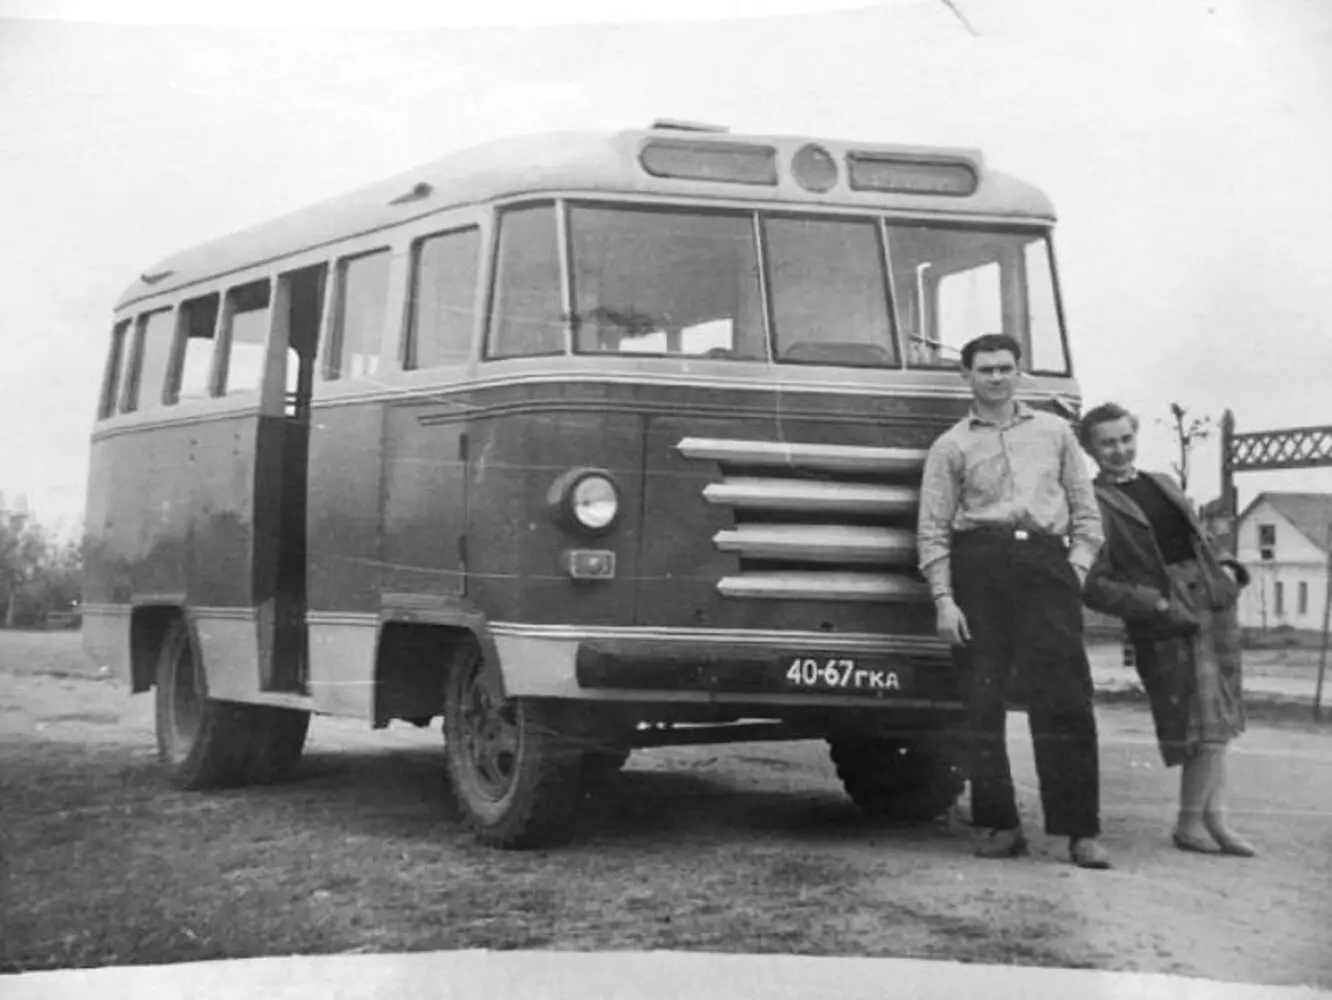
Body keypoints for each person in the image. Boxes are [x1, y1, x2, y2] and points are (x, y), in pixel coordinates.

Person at [917, 334, 1110, 869]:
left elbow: (1086, 514)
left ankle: (1081, 832)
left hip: (1048, 567)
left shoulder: (1056, 434)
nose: (996, 378)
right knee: (982, 700)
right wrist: (944, 600)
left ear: (1020, 373)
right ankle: (999, 824)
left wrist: (1072, 571)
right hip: (980, 569)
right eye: (985, 370)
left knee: (1066, 700)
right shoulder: (950, 446)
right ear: (967, 376)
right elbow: (932, 532)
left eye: (1005, 368)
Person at [1078, 402, 1256, 857]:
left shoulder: (1162, 482)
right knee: (1201, 725)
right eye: (1107, 443)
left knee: (1220, 718)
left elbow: (1200, 540)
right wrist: (1154, 604)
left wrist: (1230, 572)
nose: (1119, 450)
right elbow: (1094, 584)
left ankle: (1215, 821)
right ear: (1090, 449)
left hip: (1211, 604)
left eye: (1125, 439)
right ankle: (1191, 824)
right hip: (1167, 617)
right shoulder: (1092, 502)